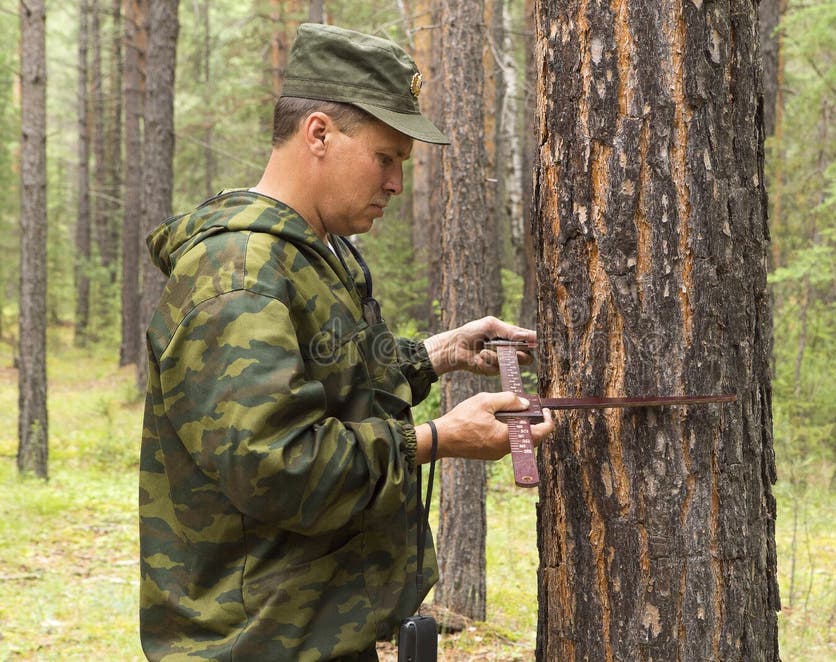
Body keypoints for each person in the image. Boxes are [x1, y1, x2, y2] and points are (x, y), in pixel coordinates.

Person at [139, 23, 553, 661]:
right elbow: (276, 464)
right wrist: (441, 438)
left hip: (313, 628)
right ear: (319, 135)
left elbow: (332, 375)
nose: (396, 183)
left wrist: (438, 354)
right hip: (255, 642)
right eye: (385, 158)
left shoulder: (310, 253)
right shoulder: (240, 275)